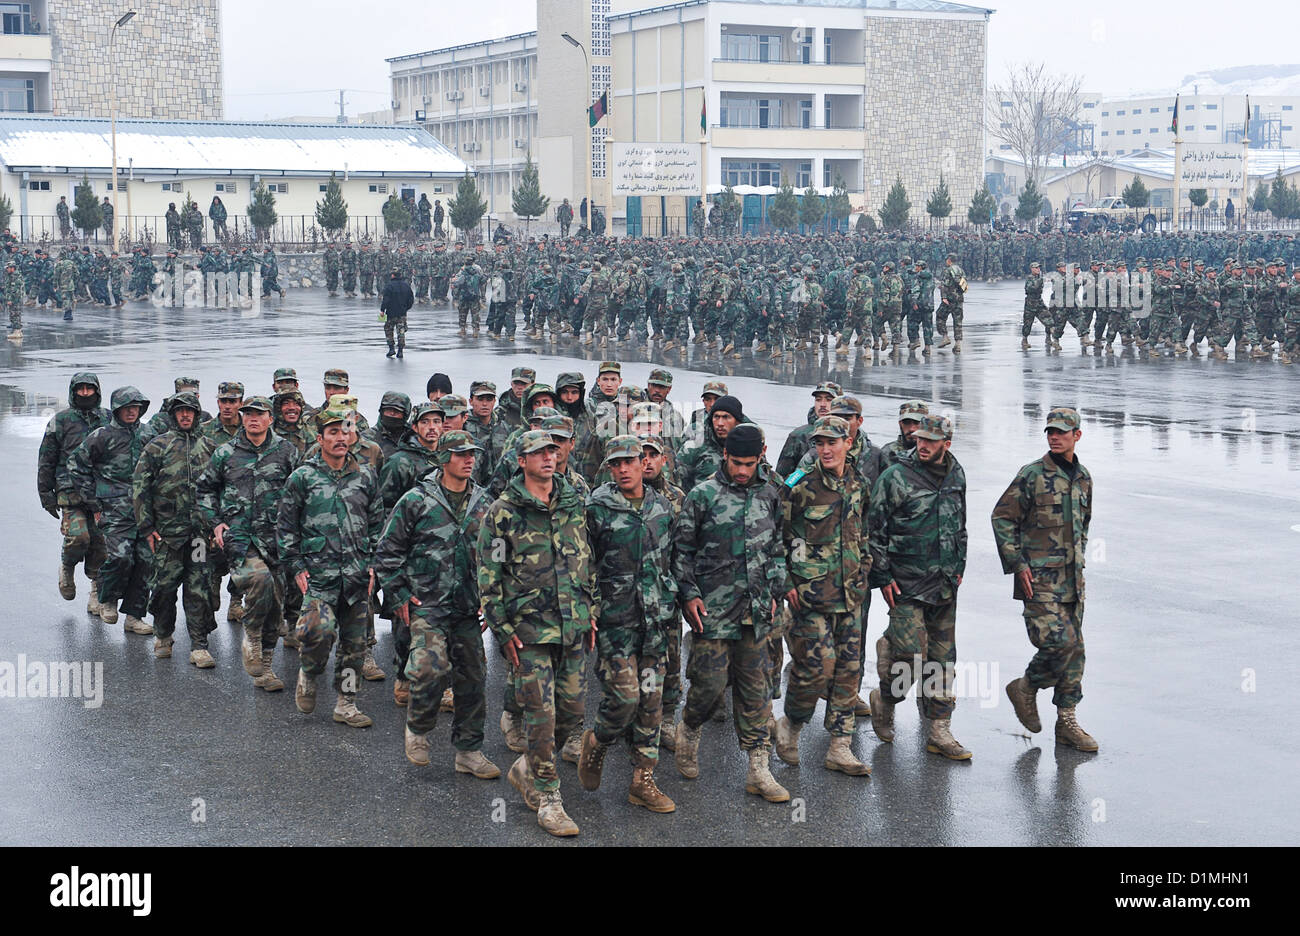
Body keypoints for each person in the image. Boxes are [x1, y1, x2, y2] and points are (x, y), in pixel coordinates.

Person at [478, 430, 595, 837]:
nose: (548, 457)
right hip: (527, 631)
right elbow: (489, 577)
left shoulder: (573, 502)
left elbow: (588, 560)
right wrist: (501, 628)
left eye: (552, 451)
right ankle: (548, 797)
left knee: (573, 711)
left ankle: (528, 767)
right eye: (538, 453)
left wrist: (591, 610)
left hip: (572, 624)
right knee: (541, 717)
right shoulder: (503, 513)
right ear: (521, 460)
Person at [671, 423, 789, 803]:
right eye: (736, 462)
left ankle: (758, 768)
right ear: (725, 455)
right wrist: (689, 595)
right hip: (714, 610)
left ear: (761, 456)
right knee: (708, 686)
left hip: (757, 610)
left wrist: (776, 588)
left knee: (757, 691)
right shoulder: (703, 495)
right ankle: (689, 728)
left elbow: (778, 547)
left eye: (749, 464)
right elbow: (682, 551)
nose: (741, 470)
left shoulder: (770, 493)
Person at [375, 430, 500, 778]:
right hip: (427, 604)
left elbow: (496, 555)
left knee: (473, 678)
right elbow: (388, 552)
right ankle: (418, 728)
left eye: (472, 454)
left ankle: (469, 751)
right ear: (444, 459)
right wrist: (399, 595)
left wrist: (490, 598)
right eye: (460, 455)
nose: (469, 460)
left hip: (466, 606)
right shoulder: (416, 500)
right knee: (429, 668)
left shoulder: (485, 503)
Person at [576, 435, 678, 813]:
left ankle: (642, 780)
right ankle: (598, 741)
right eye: (615, 464)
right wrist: (590, 608)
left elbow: (675, 557)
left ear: (642, 462)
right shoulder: (596, 508)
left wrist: (679, 597)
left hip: (655, 623)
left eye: (630, 461)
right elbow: (583, 562)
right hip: (615, 622)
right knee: (624, 697)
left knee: (651, 701)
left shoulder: (662, 506)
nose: (623, 469)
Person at [992, 407, 1098, 752]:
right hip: (1038, 581)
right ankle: (1025, 686)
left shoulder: (1083, 478)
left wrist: (1079, 562)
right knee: (1059, 644)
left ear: (1076, 435)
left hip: (1072, 582)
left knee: (1075, 651)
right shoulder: (1032, 475)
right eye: (1050, 431)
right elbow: (1002, 518)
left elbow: (1083, 525)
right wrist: (1017, 564)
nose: (1054, 437)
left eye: (1062, 432)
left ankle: (1067, 721)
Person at [772, 415, 872, 777]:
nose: (825, 450)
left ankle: (840, 746)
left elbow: (863, 530)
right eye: (820, 443)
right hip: (809, 595)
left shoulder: (859, 482)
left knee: (848, 671)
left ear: (848, 443)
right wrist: (786, 582)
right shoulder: (799, 485)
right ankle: (792, 723)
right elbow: (775, 538)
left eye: (832, 443)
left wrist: (865, 566)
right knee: (817, 669)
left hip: (850, 593)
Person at [868, 414, 971, 760]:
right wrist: (883, 576)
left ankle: (940, 731)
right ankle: (886, 698)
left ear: (946, 444)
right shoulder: (896, 476)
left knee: (943, 659)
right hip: (906, 583)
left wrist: (959, 567)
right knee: (910, 656)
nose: (922, 444)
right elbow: (874, 529)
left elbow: (960, 525)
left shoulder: (956, 474)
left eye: (930, 440)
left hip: (944, 583)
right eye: (920, 438)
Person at [277, 404, 385, 728]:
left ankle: (346, 703)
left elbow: (377, 524)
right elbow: (285, 527)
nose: (341, 437)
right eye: (333, 432)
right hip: (318, 577)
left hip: (356, 577)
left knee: (354, 647)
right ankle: (309, 673)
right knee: (318, 632)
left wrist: (373, 565)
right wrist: (296, 566)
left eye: (345, 431)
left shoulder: (365, 475)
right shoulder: (303, 478)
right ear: (320, 438)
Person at [199, 396, 301, 691]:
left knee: (276, 605)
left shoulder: (287, 451)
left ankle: (265, 668)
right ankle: (252, 633)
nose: (252, 419)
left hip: (276, 539)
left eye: (259, 414)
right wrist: (215, 522)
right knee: (260, 581)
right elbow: (205, 489)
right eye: (248, 414)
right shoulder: (226, 453)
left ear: (270, 418)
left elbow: (300, 492)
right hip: (241, 538)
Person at [132, 393, 219, 667]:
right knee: (164, 588)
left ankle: (199, 646)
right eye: (180, 411)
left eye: (190, 411)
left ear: (197, 414)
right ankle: (163, 635)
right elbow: (140, 487)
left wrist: (216, 525)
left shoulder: (210, 447)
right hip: (167, 535)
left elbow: (221, 488)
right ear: (172, 414)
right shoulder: (157, 447)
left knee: (199, 589)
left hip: (199, 536)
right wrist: (146, 526)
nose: (185, 415)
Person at [69, 387, 154, 637]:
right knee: (120, 557)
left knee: (145, 562)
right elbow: (76, 465)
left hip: (145, 511)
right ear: (116, 409)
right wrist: (93, 502)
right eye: (127, 407)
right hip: (114, 510)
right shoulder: (102, 436)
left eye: (136, 407)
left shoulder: (149, 434)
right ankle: (107, 599)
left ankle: (135, 617)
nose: (132, 411)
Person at [38, 373, 112, 613]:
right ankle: (67, 567)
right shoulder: (60, 421)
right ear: (73, 391)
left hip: (101, 492)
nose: (85, 393)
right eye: (80, 389)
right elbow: (46, 459)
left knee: (100, 545)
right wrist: (46, 495)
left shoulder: (108, 418)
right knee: (79, 537)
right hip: (70, 492)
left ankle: (96, 592)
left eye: (89, 389)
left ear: (96, 391)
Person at [380, 268, 414, 358]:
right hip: (402, 313)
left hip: (391, 313)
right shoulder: (406, 286)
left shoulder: (389, 286)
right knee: (401, 332)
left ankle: (391, 348)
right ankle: (400, 351)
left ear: (392, 275)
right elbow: (411, 299)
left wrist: (382, 310)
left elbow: (386, 300)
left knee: (388, 329)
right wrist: (405, 308)